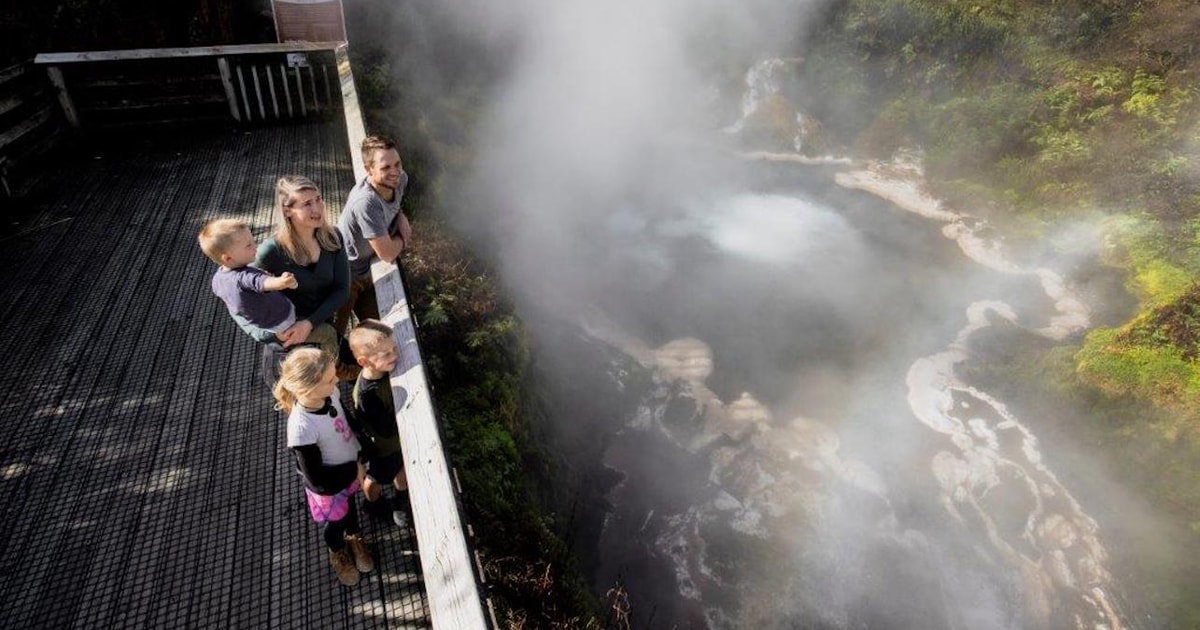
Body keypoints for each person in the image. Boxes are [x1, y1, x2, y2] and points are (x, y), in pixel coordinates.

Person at [234, 175, 354, 384]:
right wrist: (269, 335)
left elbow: (342, 289)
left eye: (318, 199)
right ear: (287, 210)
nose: (318, 208)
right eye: (307, 204)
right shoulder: (271, 252)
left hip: (323, 333)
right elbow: (236, 297)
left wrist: (309, 323)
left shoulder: (333, 237)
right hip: (288, 351)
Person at [274, 347, 375, 587]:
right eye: (330, 379)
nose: (337, 380)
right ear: (307, 389)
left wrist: (361, 444)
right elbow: (316, 480)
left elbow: (344, 419)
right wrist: (355, 470)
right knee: (335, 521)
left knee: (350, 508)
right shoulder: (301, 428)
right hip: (331, 486)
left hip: (350, 471)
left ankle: (354, 537)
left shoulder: (330, 395)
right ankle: (337, 550)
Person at [335, 135, 413, 335]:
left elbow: (393, 206)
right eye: (385, 168)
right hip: (342, 277)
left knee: (379, 336)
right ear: (368, 170)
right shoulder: (366, 202)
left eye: (397, 164)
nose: (395, 172)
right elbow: (387, 254)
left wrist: (401, 215)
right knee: (332, 340)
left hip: (367, 273)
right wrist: (403, 238)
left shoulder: (401, 179)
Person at [347, 319, 410, 528]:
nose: (395, 355)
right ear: (364, 362)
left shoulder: (381, 372)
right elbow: (386, 429)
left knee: (402, 469)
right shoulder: (368, 395)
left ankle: (401, 500)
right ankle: (373, 502)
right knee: (376, 477)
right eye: (386, 355)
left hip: (394, 443)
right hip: (380, 447)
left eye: (394, 348)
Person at [198, 219, 298, 338]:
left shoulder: (217, 280)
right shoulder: (244, 277)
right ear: (228, 258)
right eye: (248, 245)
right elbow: (261, 282)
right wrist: (282, 282)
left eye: (253, 241)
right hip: (282, 319)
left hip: (263, 322)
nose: (255, 246)